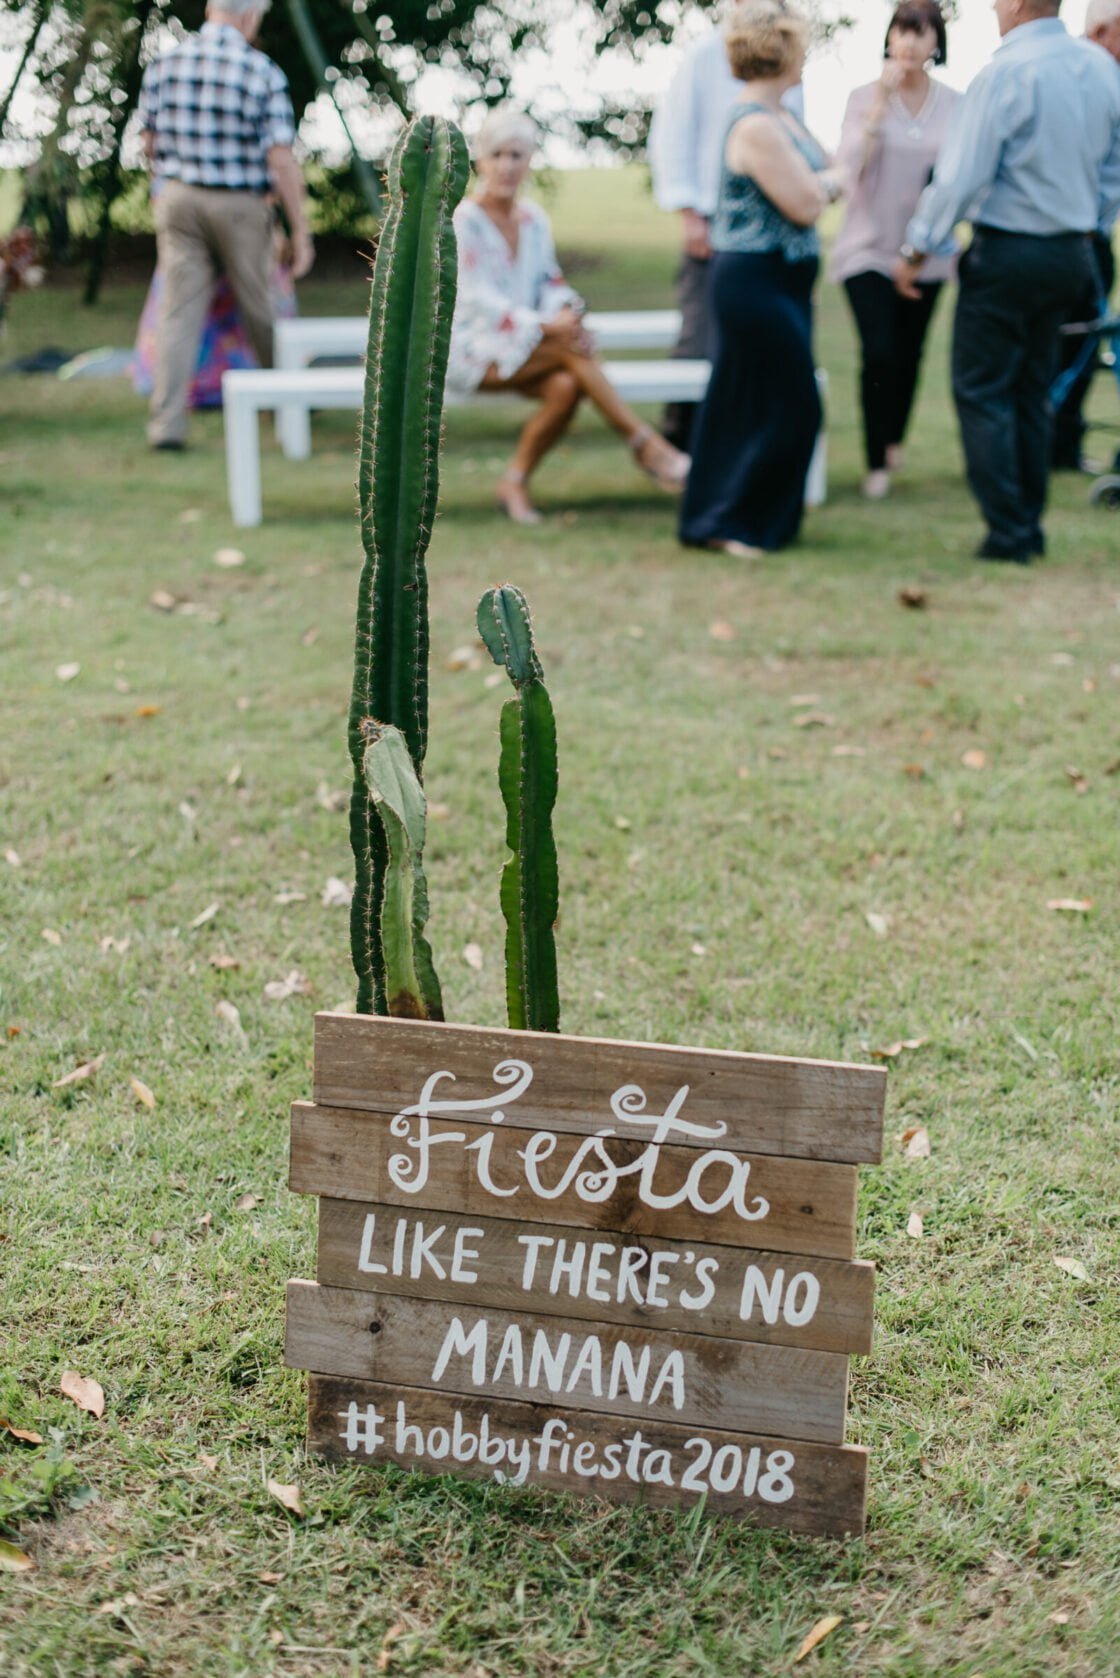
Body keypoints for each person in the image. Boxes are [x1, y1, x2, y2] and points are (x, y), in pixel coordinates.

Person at [897, 0, 1120, 562]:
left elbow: (959, 176)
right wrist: (1090, 221)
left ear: (1017, 4)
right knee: (1030, 388)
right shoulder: (1099, 68)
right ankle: (1027, 522)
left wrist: (918, 246)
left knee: (983, 389)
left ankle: (1010, 530)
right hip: (1072, 252)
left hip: (1008, 252)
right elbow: (1115, 165)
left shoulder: (1003, 74)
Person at [447, 109, 690, 526]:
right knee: (570, 351)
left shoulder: (534, 221)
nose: (507, 166)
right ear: (481, 161)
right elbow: (472, 297)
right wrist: (543, 326)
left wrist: (565, 310)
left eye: (517, 156)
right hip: (472, 351)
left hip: (531, 348)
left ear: (529, 161)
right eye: (498, 154)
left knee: (565, 384)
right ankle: (644, 443)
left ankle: (514, 481)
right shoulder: (463, 220)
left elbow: (550, 281)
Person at [679, 2, 844, 557]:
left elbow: (827, 174)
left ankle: (735, 520)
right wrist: (827, 185)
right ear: (783, 51)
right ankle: (732, 522)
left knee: (751, 400)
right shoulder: (754, 124)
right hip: (755, 279)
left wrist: (832, 176)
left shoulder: (781, 116)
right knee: (791, 404)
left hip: (785, 279)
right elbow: (805, 202)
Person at [137, 0, 314, 450]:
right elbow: (280, 158)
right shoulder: (262, 72)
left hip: (178, 199)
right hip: (239, 204)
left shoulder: (165, 62)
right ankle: (286, 405)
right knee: (261, 307)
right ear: (250, 16)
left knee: (178, 313)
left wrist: (166, 185)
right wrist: (300, 230)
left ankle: (167, 426)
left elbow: (148, 141)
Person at [649, 1, 805, 452]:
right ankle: (680, 439)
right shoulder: (702, 56)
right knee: (700, 336)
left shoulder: (789, 67)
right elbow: (674, 134)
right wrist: (688, 213)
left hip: (768, 227)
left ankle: (745, 441)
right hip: (710, 217)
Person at [830, 2, 959, 500]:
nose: (908, 43)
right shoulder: (862, 98)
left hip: (927, 252)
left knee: (909, 353)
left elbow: (955, 180)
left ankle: (895, 437)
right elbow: (848, 171)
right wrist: (879, 105)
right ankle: (875, 460)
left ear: (936, 44)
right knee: (879, 352)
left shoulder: (955, 103)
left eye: (920, 33)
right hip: (867, 247)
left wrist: (925, 246)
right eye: (901, 32)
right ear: (888, 39)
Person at [1052, 0, 1120, 470]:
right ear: (1102, 30)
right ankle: (1047, 444)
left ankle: (1062, 446)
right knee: (1063, 345)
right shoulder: (1089, 75)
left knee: (1079, 346)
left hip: (1089, 238)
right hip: (1072, 237)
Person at [132, 215, 297, 409]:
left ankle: (275, 383)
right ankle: (277, 384)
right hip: (233, 216)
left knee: (186, 311)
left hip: (198, 218)